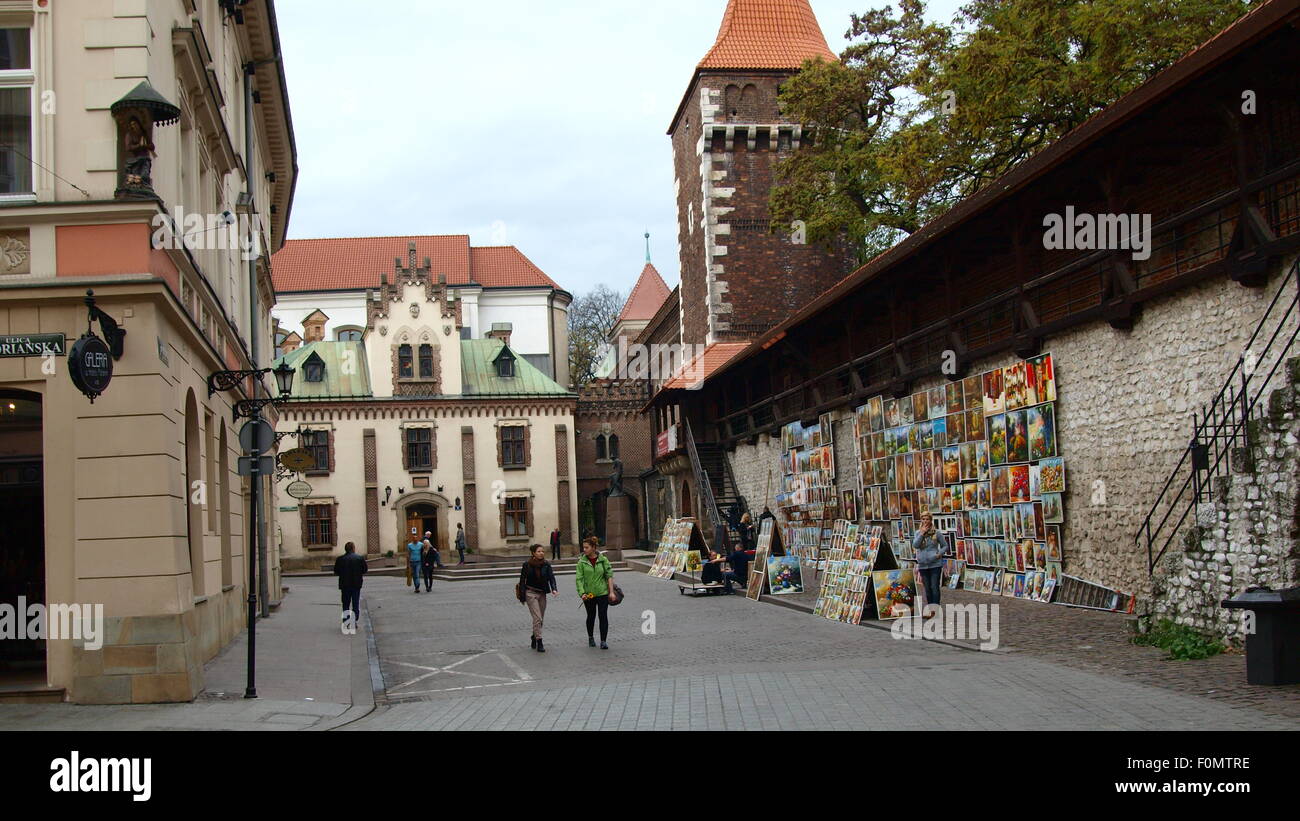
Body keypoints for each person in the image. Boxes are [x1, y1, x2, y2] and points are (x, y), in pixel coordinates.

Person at [575, 538, 617, 649]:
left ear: (593, 547)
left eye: (587, 547)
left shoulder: (603, 560)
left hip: (602, 593)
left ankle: (603, 641)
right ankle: (590, 637)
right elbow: (579, 579)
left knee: (603, 616)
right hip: (589, 595)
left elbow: (609, 576)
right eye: (583, 547)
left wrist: (611, 592)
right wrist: (582, 593)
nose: (584, 550)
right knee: (591, 616)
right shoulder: (581, 562)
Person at [519, 544, 558, 652]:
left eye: (543, 551)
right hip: (530, 593)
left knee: (540, 619)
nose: (542, 553)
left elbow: (551, 577)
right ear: (533, 553)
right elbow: (522, 581)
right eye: (539, 551)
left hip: (542, 594)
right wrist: (522, 596)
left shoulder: (546, 564)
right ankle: (539, 641)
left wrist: (554, 589)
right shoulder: (527, 565)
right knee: (537, 618)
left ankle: (534, 636)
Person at [914, 511, 949, 616]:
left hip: (935, 564)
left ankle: (935, 610)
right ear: (921, 520)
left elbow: (945, 545)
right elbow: (915, 545)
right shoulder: (918, 533)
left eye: (927, 519)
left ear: (930, 520)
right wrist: (922, 534)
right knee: (927, 589)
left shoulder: (936, 533)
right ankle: (930, 609)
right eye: (923, 519)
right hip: (923, 565)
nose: (925, 521)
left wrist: (939, 554)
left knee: (934, 587)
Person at [333, 541, 367, 628]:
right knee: (355, 603)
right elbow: (364, 570)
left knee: (345, 603)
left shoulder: (340, 559)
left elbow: (336, 571)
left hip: (344, 585)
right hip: (356, 584)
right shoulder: (359, 558)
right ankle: (354, 621)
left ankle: (347, 621)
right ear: (353, 548)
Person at [406, 530, 423, 594]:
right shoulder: (409, 545)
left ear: (418, 539)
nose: (415, 540)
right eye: (414, 539)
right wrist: (407, 564)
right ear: (412, 539)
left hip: (418, 562)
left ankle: (417, 586)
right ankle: (416, 587)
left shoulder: (421, 544)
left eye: (416, 538)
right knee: (414, 575)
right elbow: (408, 555)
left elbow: (426, 549)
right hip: (412, 562)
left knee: (417, 574)